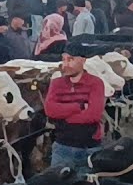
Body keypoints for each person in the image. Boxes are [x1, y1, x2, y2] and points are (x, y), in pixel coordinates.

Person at [43, 42, 106, 170]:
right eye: (63, 59)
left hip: (89, 149)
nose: (65, 64)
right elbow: (50, 110)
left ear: (82, 61)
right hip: (62, 147)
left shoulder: (95, 83)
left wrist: (64, 118)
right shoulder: (56, 83)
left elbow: (93, 115)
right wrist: (79, 106)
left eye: (70, 59)